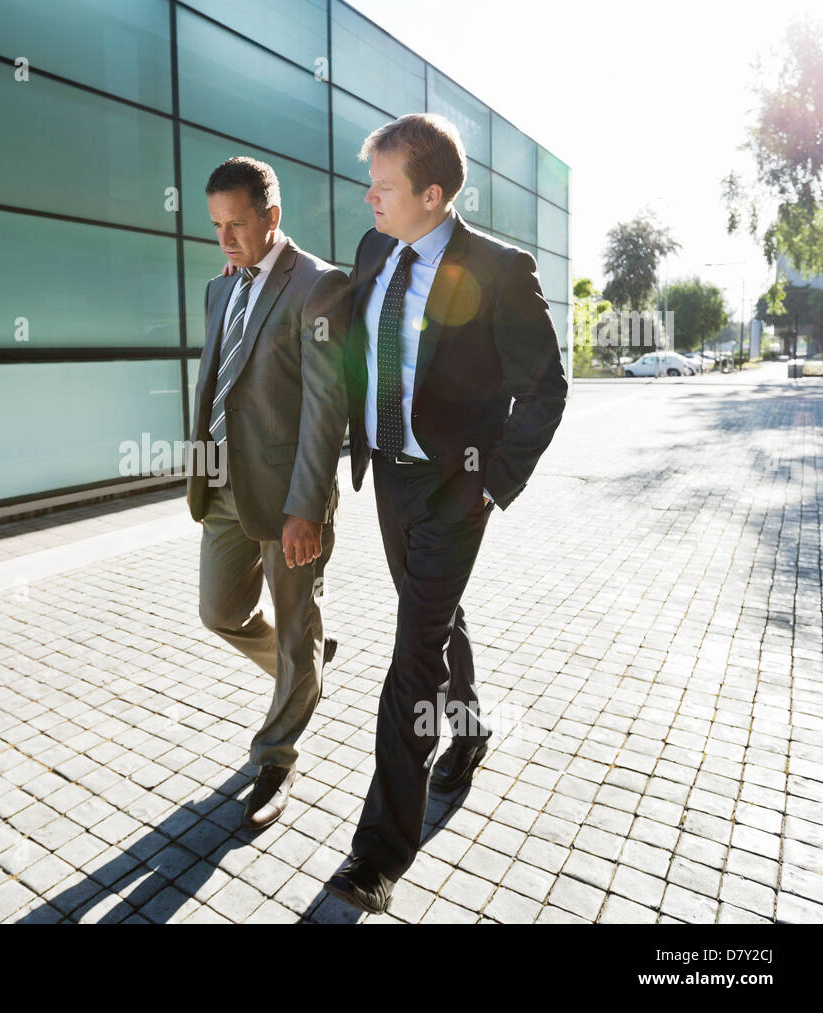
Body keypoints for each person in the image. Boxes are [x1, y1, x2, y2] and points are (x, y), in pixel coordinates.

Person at [323, 114, 567, 912]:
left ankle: (379, 853)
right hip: (391, 479)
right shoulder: (372, 250)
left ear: (432, 194)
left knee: (412, 653)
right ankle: (470, 730)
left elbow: (546, 389)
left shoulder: (500, 269)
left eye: (384, 186)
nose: (369, 198)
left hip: (455, 489)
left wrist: (491, 484)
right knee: (434, 613)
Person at [188, 157, 352, 830]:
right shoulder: (222, 288)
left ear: (272, 218)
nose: (225, 240)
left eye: (237, 225)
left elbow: (326, 405)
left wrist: (305, 507)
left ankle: (277, 754)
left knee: (294, 633)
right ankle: (306, 661)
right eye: (216, 226)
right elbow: (219, 383)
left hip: (290, 499)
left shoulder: (319, 287)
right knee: (219, 610)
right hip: (224, 486)